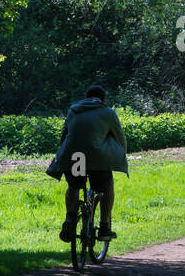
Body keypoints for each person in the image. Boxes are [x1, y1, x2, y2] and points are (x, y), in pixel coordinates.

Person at [46, 85, 128, 243]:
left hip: (76, 157)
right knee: (106, 187)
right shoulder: (108, 112)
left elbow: (64, 135)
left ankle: (70, 219)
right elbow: (120, 137)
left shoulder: (73, 110)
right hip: (98, 159)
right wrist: (122, 155)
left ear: (86, 97)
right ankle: (104, 227)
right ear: (103, 100)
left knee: (74, 187)